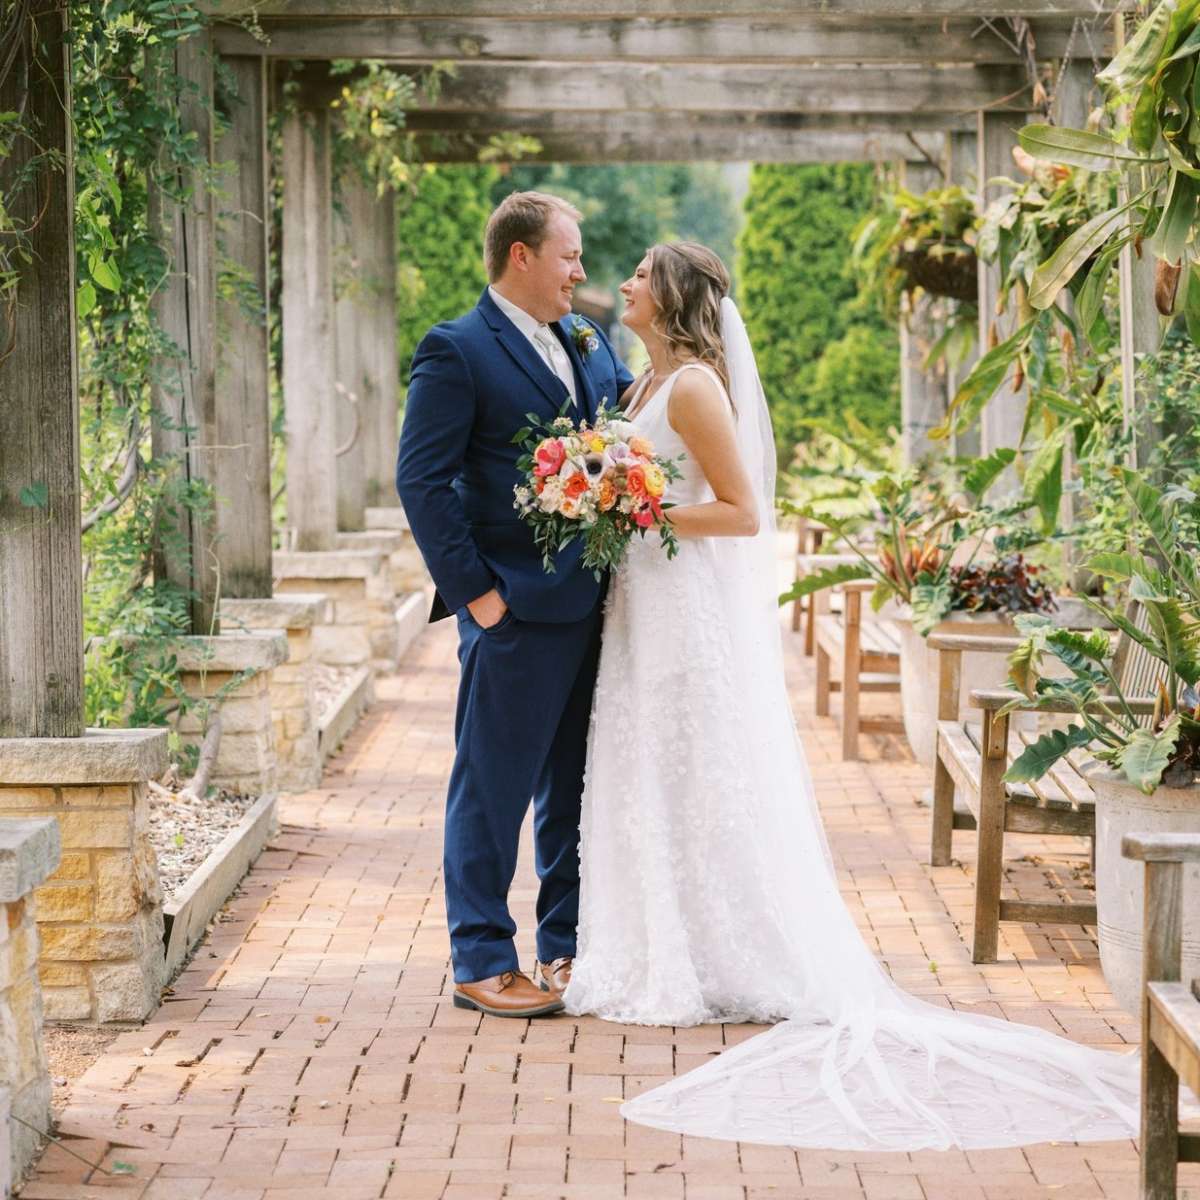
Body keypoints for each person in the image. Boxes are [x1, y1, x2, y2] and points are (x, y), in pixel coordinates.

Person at [563, 240, 1142, 1150]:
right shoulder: (640, 386)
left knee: (693, 770)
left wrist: (633, 509)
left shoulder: (698, 389)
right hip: (642, 602)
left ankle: (717, 953)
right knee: (643, 769)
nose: (624, 283)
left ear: (670, 296)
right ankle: (653, 946)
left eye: (639, 273)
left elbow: (742, 513)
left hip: (684, 605)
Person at [396, 191, 634, 1018]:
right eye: (569, 255)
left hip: (598, 608)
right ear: (521, 257)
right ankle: (481, 958)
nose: (581, 271)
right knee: (491, 788)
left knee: (574, 788)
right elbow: (422, 484)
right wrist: (480, 599)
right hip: (515, 612)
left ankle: (564, 949)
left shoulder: (589, 337)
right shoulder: (456, 349)